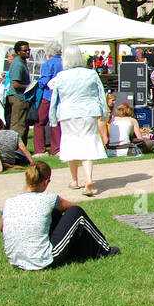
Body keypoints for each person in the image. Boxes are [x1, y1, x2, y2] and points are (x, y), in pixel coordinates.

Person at [1, 161, 119, 270]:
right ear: (46, 182)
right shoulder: (49, 198)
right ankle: (104, 250)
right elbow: (73, 209)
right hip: (42, 259)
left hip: (15, 259)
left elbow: (2, 227)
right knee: (76, 212)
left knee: (54, 213)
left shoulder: (9, 202)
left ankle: (76, 249)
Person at [46, 46, 109, 196]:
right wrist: (104, 114)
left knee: (70, 143)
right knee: (88, 143)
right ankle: (88, 178)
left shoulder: (61, 76)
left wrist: (53, 118)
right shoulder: (91, 73)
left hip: (68, 113)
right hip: (89, 111)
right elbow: (101, 94)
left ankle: (74, 180)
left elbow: (54, 97)